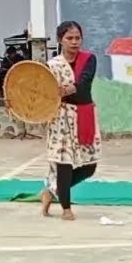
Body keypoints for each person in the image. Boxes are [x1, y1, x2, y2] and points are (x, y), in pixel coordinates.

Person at [39, 20, 101, 220]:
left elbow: (83, 85)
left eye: (77, 38)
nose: (74, 42)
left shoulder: (89, 59)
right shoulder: (53, 65)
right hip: (61, 117)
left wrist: (63, 90)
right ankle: (66, 208)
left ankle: (51, 191)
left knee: (89, 166)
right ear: (60, 40)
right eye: (69, 38)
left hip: (84, 114)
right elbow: (47, 93)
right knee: (64, 162)